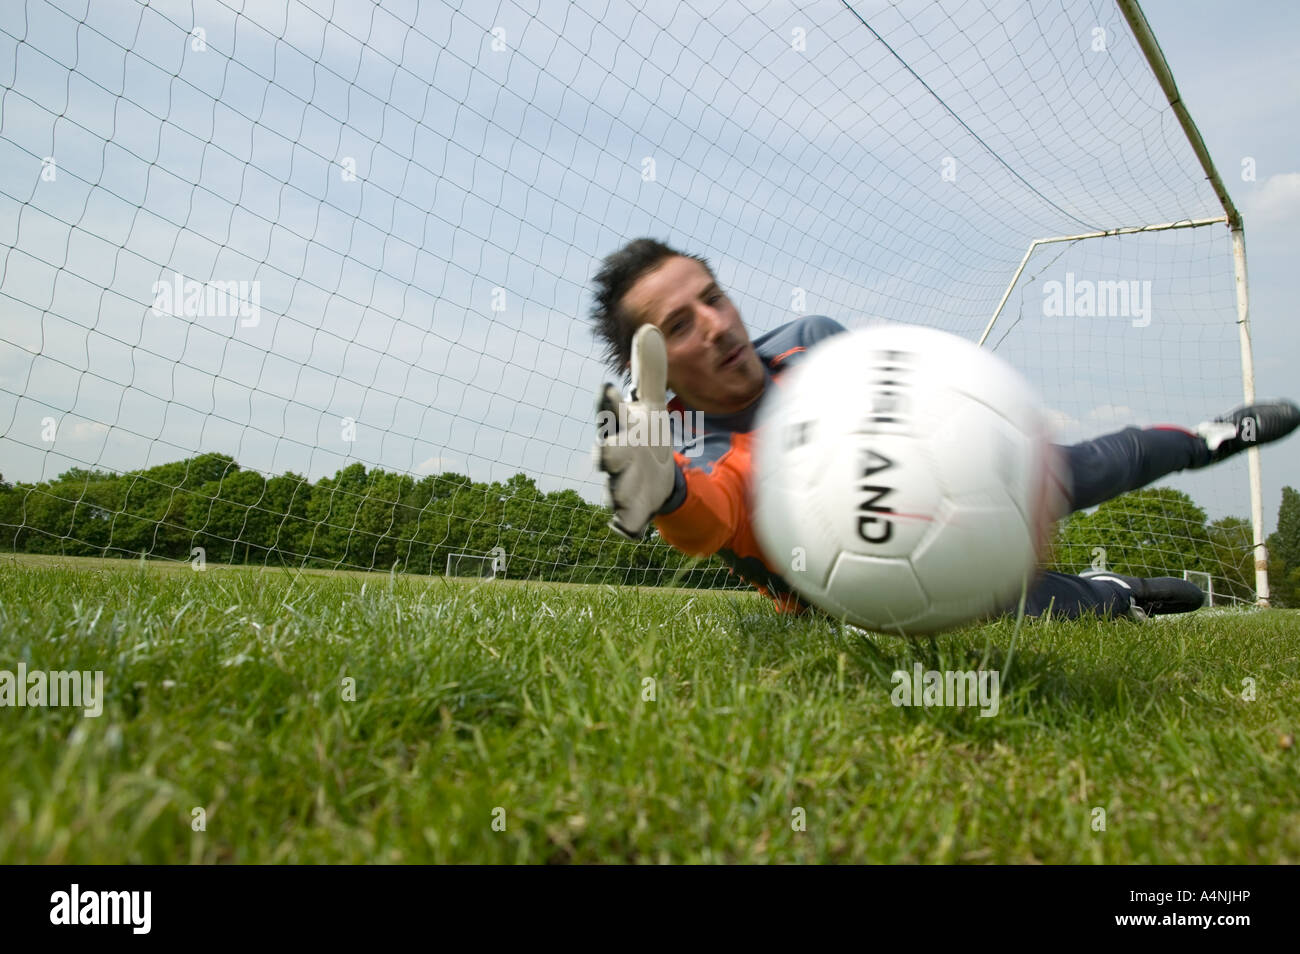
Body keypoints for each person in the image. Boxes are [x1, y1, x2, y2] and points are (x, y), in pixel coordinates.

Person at [590, 238, 1300, 621]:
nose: (715, 327)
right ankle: (1119, 594)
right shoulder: (701, 457)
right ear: (651, 370)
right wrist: (670, 499)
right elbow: (709, 514)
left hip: (918, 495)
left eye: (712, 298)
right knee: (1014, 604)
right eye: (679, 326)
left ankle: (1207, 439)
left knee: (1066, 466)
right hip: (848, 599)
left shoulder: (812, 340)